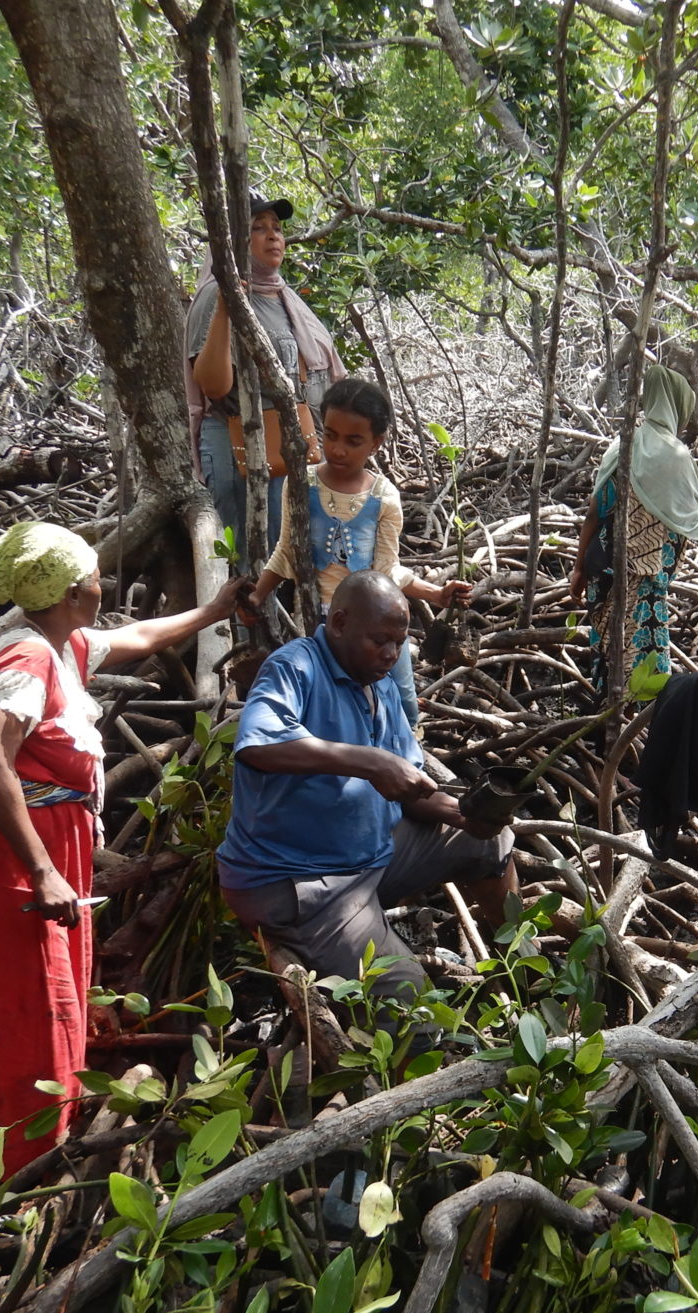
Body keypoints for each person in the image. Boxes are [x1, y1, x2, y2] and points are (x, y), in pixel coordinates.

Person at [0, 523, 248, 1172]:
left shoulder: (62, 643)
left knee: (56, 992)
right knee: (22, 1003)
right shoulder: (24, 661)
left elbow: (136, 638)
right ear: (66, 594)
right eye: (93, 580)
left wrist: (215, 611)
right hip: (15, 858)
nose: (102, 587)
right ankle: (12, 1172)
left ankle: (41, 1137)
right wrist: (43, 871)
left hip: (51, 843)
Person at [218, 571, 516, 1008]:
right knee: (412, 1001)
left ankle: (523, 970)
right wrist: (370, 761)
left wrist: (462, 814)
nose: (391, 654)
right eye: (380, 640)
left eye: (400, 643)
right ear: (339, 624)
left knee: (492, 845)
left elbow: (410, 787)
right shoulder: (294, 667)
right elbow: (260, 746)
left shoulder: (381, 684)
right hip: (303, 883)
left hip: (373, 860)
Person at [241, 378, 469, 731]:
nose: (338, 449)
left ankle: (407, 767)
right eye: (330, 435)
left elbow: (388, 570)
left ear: (376, 442)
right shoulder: (301, 484)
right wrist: (257, 595)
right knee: (333, 709)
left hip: (378, 629)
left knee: (403, 705)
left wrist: (437, 594)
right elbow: (286, 551)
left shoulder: (383, 497)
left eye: (353, 440)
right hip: (324, 626)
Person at [570, 365, 698, 690]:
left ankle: (611, 732)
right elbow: (691, 522)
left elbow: (593, 514)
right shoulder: (673, 455)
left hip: (598, 571)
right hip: (643, 580)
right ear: (676, 404)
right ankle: (640, 735)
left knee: (608, 659)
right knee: (646, 671)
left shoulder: (619, 447)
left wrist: (578, 568)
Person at [186, 195, 345, 556]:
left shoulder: (285, 297)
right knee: (250, 560)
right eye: (258, 229)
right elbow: (212, 385)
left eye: (276, 228)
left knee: (287, 556)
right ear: (232, 245)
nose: (273, 236)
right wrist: (228, 309)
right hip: (238, 446)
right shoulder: (216, 295)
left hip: (291, 447)